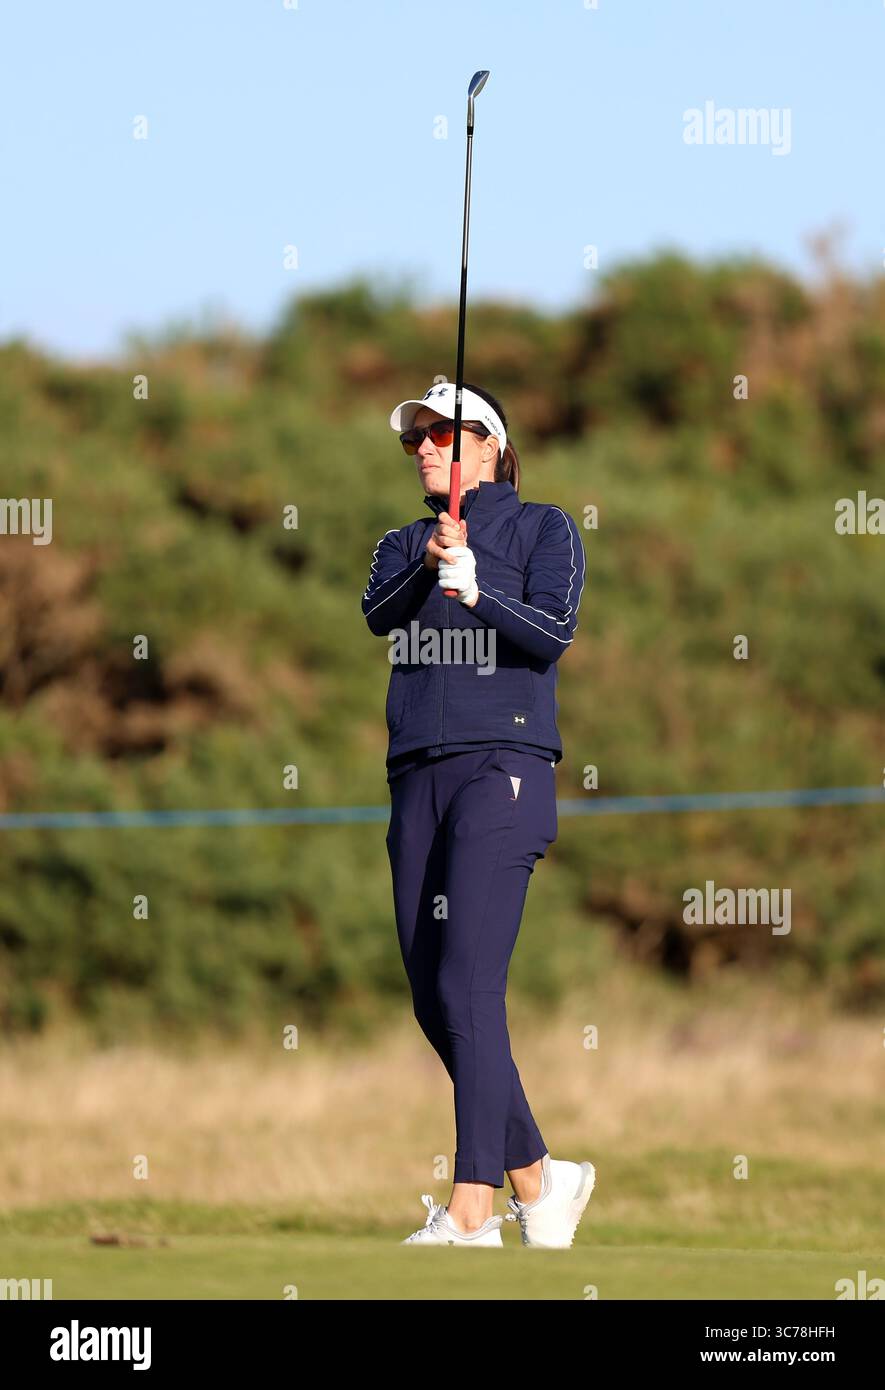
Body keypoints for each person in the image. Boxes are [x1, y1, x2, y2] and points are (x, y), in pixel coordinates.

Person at [361, 380, 595, 1248]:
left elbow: (551, 630)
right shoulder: (403, 542)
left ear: (488, 445)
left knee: (468, 982)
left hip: (504, 768)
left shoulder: (543, 528)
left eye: (441, 434)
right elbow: (376, 615)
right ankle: (540, 1177)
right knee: (433, 994)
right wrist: (432, 565)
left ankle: (472, 1209)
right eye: (414, 438)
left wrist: (476, 590)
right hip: (416, 772)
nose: (423, 448)